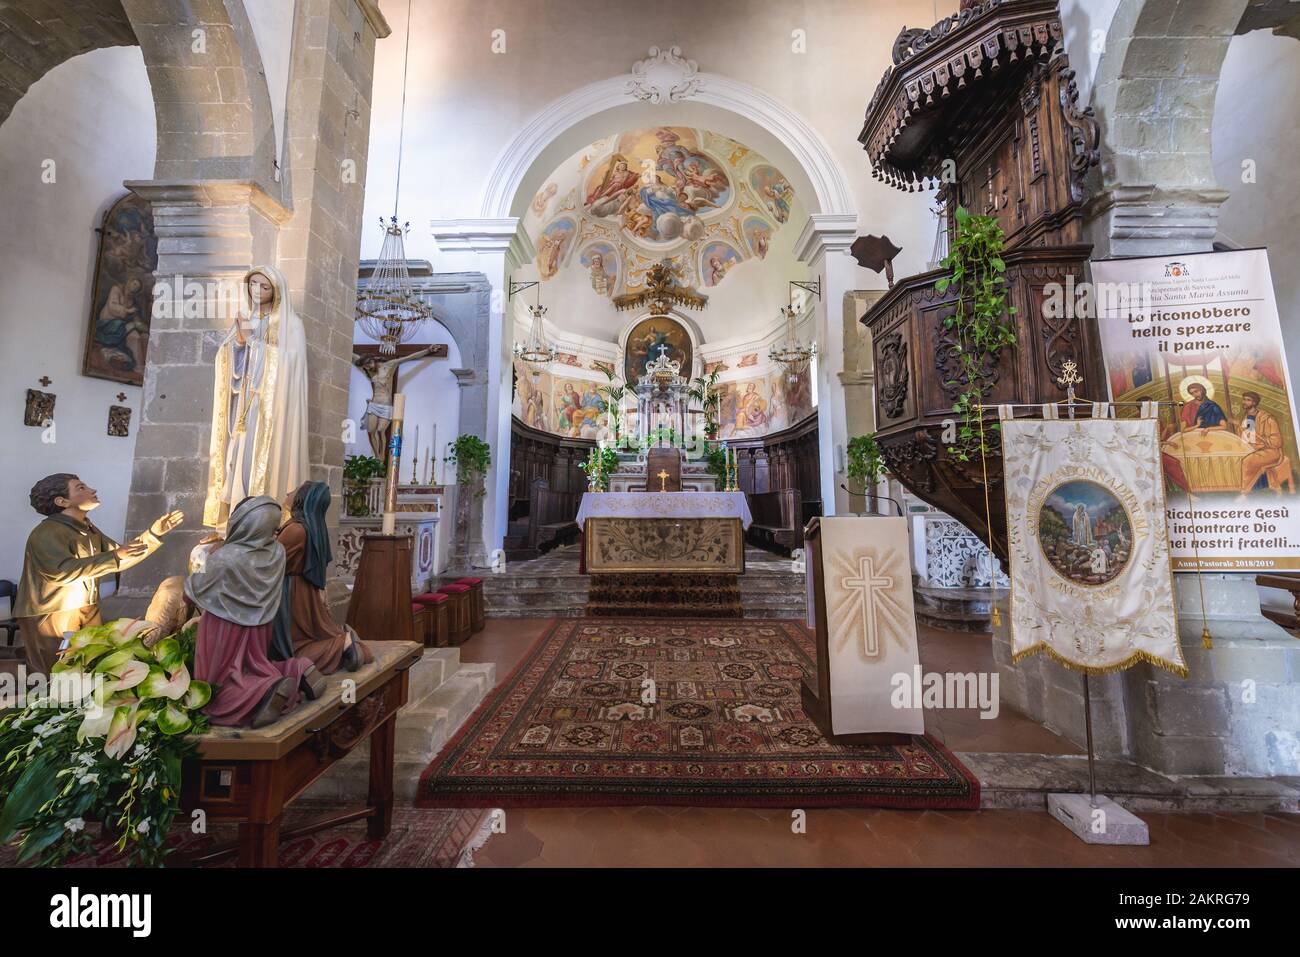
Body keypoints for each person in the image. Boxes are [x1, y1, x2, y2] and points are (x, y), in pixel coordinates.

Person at [15, 474, 183, 674]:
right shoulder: (47, 532)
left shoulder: (87, 529)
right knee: (55, 672)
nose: (92, 490)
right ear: (62, 501)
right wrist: (114, 556)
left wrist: (154, 534)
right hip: (52, 613)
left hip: (85, 607)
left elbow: (121, 556)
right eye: (81, 488)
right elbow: (61, 571)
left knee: (90, 668)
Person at [187, 496, 323, 728]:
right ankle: (297, 669)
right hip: (260, 627)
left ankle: (262, 693)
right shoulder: (277, 552)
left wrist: (199, 556)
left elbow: (193, 589)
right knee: (255, 665)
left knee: (215, 688)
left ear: (242, 523)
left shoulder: (225, 557)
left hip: (223, 628)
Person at [203, 265, 309, 533]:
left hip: (271, 412)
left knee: (256, 459)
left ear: (276, 291)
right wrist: (238, 344)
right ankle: (236, 518)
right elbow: (229, 360)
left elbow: (289, 365)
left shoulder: (291, 324)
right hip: (244, 407)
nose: (257, 291)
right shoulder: (246, 318)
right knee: (237, 458)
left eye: (264, 287)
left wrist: (253, 342)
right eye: (253, 285)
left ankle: (261, 521)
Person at [272, 482, 371, 674]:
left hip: (289, 595)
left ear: (303, 498)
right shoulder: (309, 526)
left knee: (289, 651)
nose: (288, 491)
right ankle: (345, 642)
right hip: (302, 591)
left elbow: (271, 562)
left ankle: (343, 643)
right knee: (294, 645)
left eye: (293, 490)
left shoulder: (296, 530)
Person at [1237, 390, 1287, 495]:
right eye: (1244, 399)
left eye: (1248, 400)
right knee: (1238, 457)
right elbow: (1247, 437)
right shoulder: (1247, 417)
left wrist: (1259, 439)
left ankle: (1244, 493)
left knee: (1247, 461)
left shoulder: (1267, 419)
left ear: (1254, 403)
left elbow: (1276, 442)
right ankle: (1261, 487)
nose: (1244, 402)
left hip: (1271, 451)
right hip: (1255, 449)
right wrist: (1240, 428)